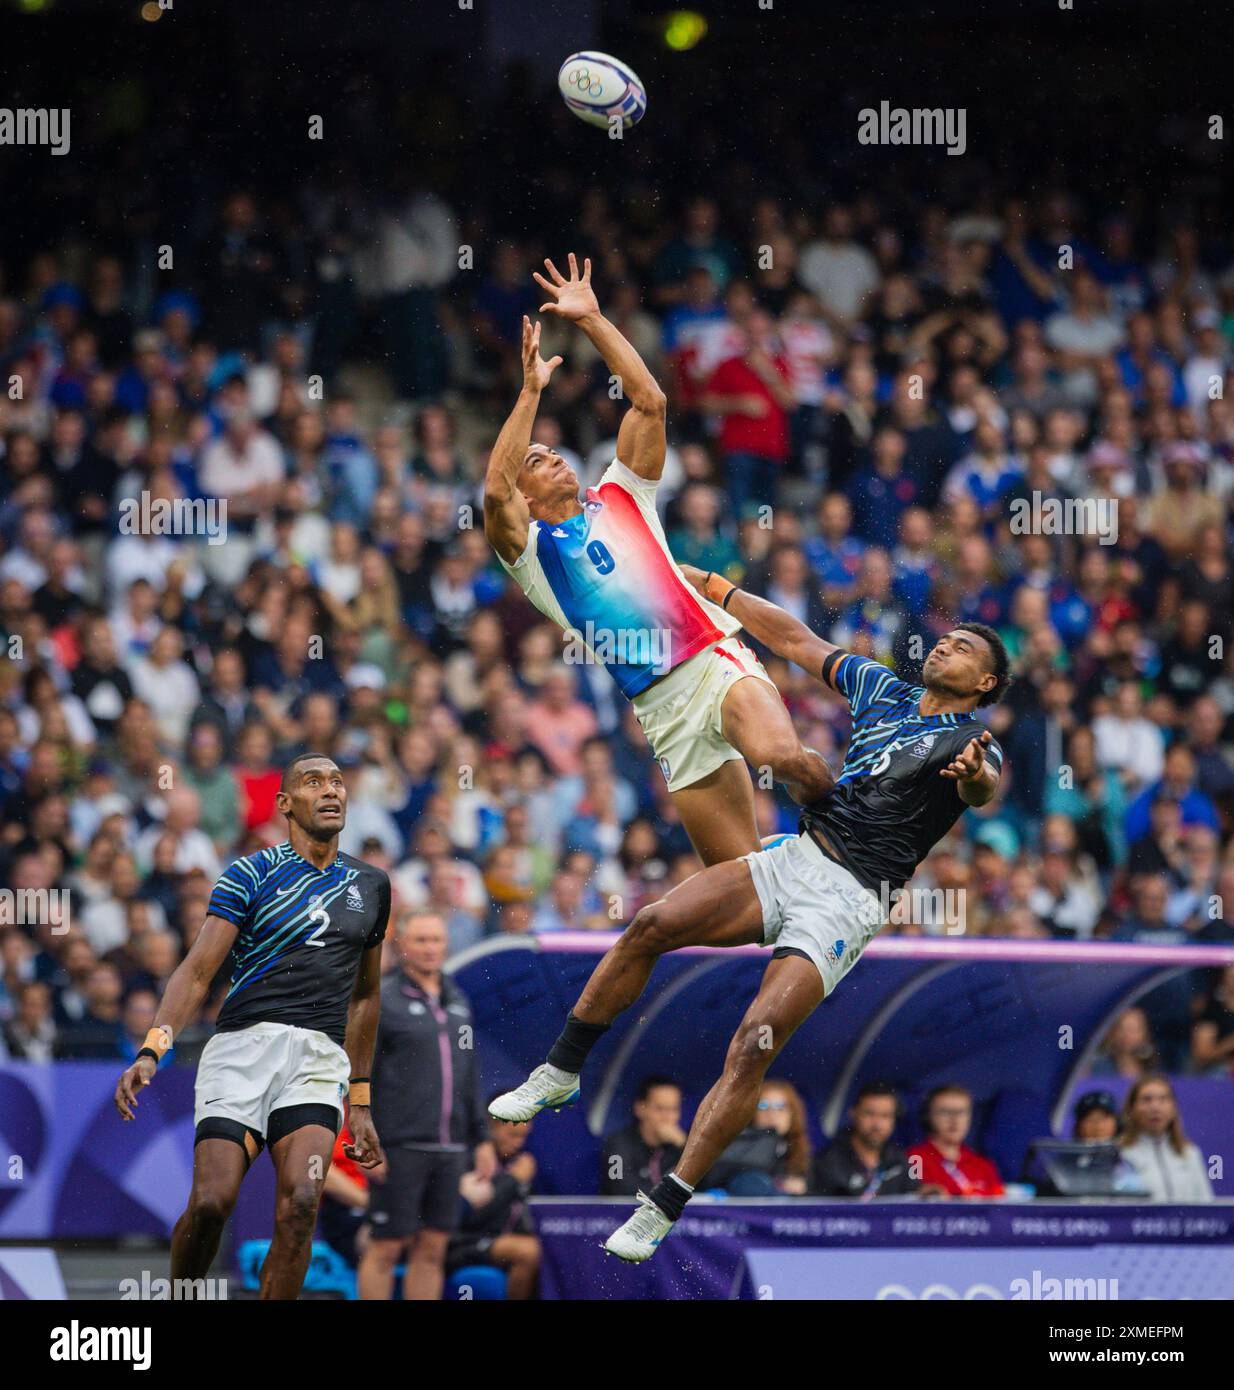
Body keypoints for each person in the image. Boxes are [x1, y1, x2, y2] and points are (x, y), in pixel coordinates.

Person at [492, 570, 1009, 1261]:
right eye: (950, 638)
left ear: (984, 684)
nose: (949, 646)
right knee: (650, 926)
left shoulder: (971, 739)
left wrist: (975, 775)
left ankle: (664, 1203)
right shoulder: (883, 689)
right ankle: (559, 1071)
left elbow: (984, 789)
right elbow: (794, 637)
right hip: (794, 858)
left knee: (756, 1039)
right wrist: (709, 585)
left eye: (968, 647)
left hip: (848, 900)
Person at [482, 254, 831, 871]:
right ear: (528, 498)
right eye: (536, 461)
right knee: (737, 880)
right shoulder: (533, 559)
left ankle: (854, 831)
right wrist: (530, 392)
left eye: (553, 452)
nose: (554, 458)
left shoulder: (623, 493)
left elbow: (649, 402)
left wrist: (592, 320)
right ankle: (795, 879)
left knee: (783, 758)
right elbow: (494, 491)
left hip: (710, 662)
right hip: (660, 713)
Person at [113, 754, 391, 1300]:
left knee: (303, 1202)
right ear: (285, 804)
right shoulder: (250, 873)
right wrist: (153, 1048)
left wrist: (359, 1100)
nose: (331, 791)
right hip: (241, 1051)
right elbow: (196, 973)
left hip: (317, 1059)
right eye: (314, 783)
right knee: (212, 1203)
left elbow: (365, 996)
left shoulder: (372, 884)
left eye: (337, 782)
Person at [357, 911, 495, 1301]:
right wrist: (368, 1138)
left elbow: (469, 1073)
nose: (430, 948)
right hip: (399, 1146)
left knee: (433, 1249)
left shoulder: (458, 999)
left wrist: (482, 1140)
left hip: (450, 1149)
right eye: (420, 940)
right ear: (401, 945)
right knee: (386, 1245)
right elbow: (358, 1072)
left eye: (436, 940)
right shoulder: (383, 999)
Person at [449, 1105, 542, 1300]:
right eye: (513, 1135)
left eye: (524, 1136)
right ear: (493, 1128)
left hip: (497, 1241)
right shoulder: (471, 1159)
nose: (519, 1143)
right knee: (528, 1251)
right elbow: (469, 1216)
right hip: (462, 1243)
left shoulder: (518, 1161)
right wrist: (514, 1181)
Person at [812, 1082, 920, 1198]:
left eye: (885, 1115)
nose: (877, 1124)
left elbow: (913, 1200)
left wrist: (926, 1194)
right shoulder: (827, 1161)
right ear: (853, 1114)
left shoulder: (902, 1160)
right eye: (869, 1114)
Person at [1118, 1075, 1214, 1202]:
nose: (1155, 1107)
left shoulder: (1189, 1153)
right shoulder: (1120, 1153)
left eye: (1163, 1099)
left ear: (1173, 1108)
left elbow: (1206, 1203)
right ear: (1132, 1108)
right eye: (1147, 1100)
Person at [907, 1084, 1005, 1198]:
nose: (955, 1119)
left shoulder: (983, 1165)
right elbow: (910, 1196)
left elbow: (1000, 1206)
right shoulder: (914, 1158)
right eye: (945, 1112)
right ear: (928, 1116)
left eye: (962, 1112)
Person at [598, 1075, 686, 1196]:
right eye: (660, 1109)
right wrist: (670, 1197)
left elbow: (711, 1181)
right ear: (640, 1109)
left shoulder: (681, 1145)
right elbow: (619, 1188)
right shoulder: (618, 1145)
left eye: (674, 1109)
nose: (668, 1118)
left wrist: (685, 1146)